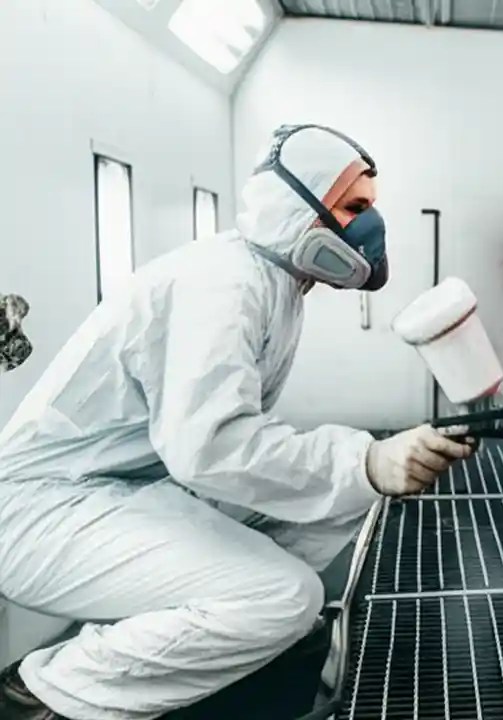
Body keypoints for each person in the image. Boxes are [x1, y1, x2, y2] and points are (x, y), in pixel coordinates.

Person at [0, 125, 473, 719]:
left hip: (133, 489)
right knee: (287, 593)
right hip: (46, 511)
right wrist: (367, 458)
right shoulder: (223, 284)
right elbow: (211, 445)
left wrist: (360, 470)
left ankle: (249, 629)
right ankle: (43, 694)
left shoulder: (275, 283)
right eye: (354, 208)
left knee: (347, 495)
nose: (369, 228)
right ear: (298, 208)